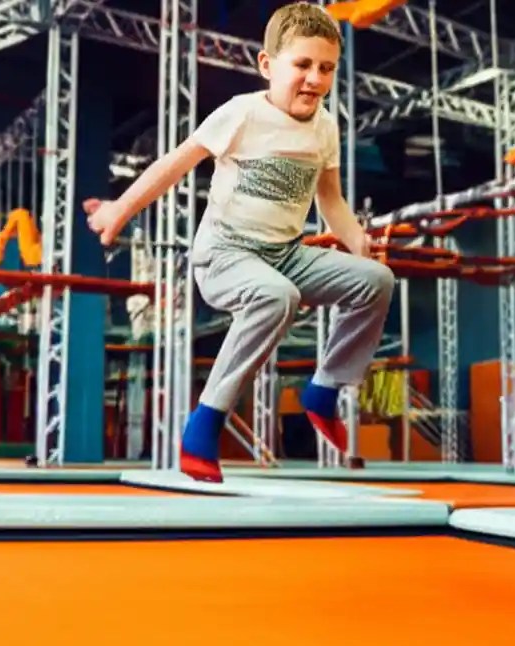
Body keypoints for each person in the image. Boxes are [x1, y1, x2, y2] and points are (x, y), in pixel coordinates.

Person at [84, 2, 394, 482]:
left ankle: (324, 390)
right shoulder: (241, 114)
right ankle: (204, 424)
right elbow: (174, 164)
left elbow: (330, 198)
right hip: (225, 254)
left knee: (376, 281)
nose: (315, 79)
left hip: (286, 255)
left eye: (326, 68)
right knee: (277, 297)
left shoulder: (325, 126)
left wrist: (358, 242)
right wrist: (117, 210)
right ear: (268, 66)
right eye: (303, 65)